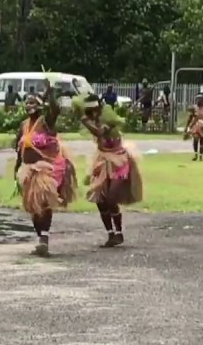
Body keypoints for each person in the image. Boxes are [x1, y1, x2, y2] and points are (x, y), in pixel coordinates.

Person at [14, 89, 77, 257]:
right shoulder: (24, 125)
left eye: (33, 102)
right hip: (28, 170)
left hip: (45, 169)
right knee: (33, 207)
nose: (29, 105)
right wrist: (17, 168)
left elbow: (55, 110)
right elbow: (19, 149)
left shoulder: (46, 122)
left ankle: (45, 240)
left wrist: (51, 94)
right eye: (27, 102)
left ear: (40, 105)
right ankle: (40, 239)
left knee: (44, 203)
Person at [78, 93, 143, 247]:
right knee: (99, 199)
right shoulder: (93, 119)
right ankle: (110, 234)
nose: (93, 112)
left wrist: (86, 122)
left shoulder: (108, 119)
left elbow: (100, 132)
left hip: (118, 160)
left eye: (94, 109)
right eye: (89, 110)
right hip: (101, 160)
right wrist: (87, 120)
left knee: (111, 198)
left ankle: (119, 232)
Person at [185, 93, 203, 161]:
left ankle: (200, 156)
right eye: (197, 99)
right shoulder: (194, 108)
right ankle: (196, 155)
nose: (198, 101)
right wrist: (187, 127)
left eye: (199, 100)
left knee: (202, 142)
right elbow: (190, 118)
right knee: (195, 140)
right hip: (196, 126)